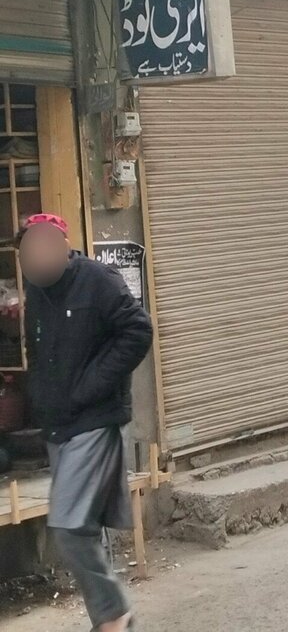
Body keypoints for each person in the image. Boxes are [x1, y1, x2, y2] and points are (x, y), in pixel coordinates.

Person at [19, 213, 153, 632]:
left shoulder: (98, 280)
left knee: (68, 525)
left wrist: (90, 387)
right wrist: (40, 399)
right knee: (85, 525)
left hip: (93, 418)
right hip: (58, 424)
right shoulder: (39, 291)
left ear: (61, 246)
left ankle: (114, 615)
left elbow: (138, 331)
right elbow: (37, 348)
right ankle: (112, 619)